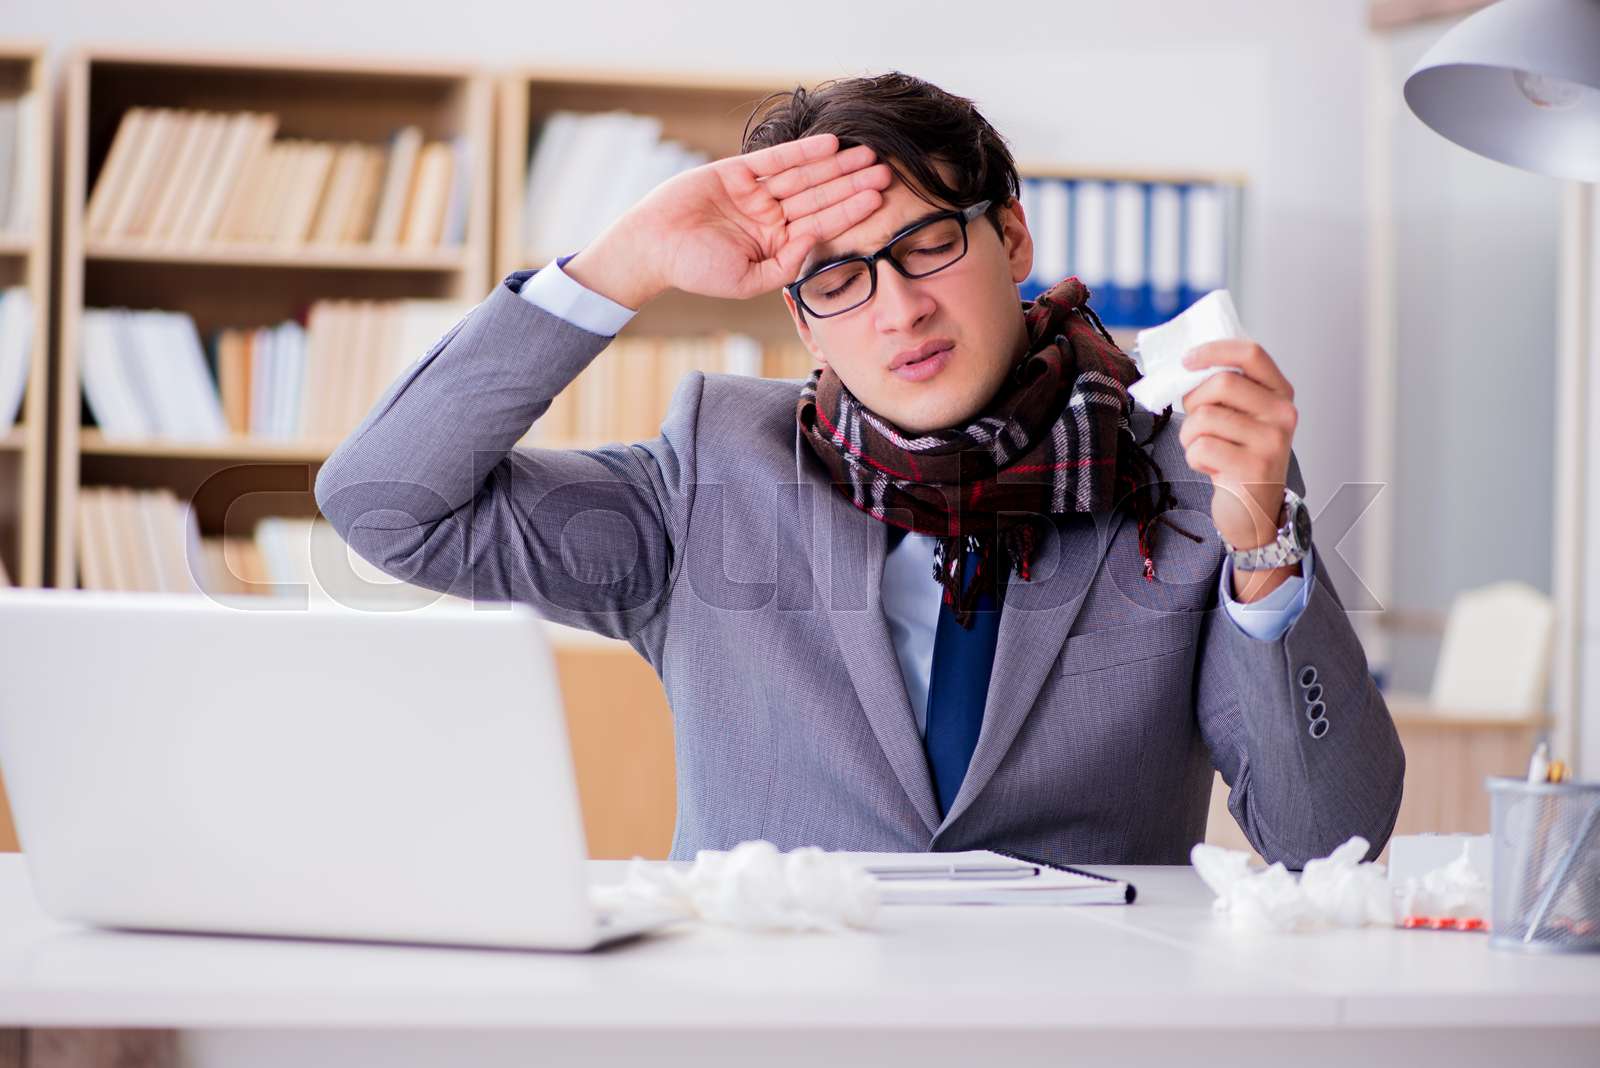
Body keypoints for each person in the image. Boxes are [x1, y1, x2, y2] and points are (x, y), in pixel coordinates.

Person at [315, 72, 1403, 867]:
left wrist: (1263, 544)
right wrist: (620, 265)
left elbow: (1329, 844)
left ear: (1012, 239)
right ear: (802, 320)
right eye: (838, 278)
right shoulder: (712, 470)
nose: (899, 309)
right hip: (773, 1023)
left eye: (927, 245)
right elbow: (384, 506)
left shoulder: (1195, 470)